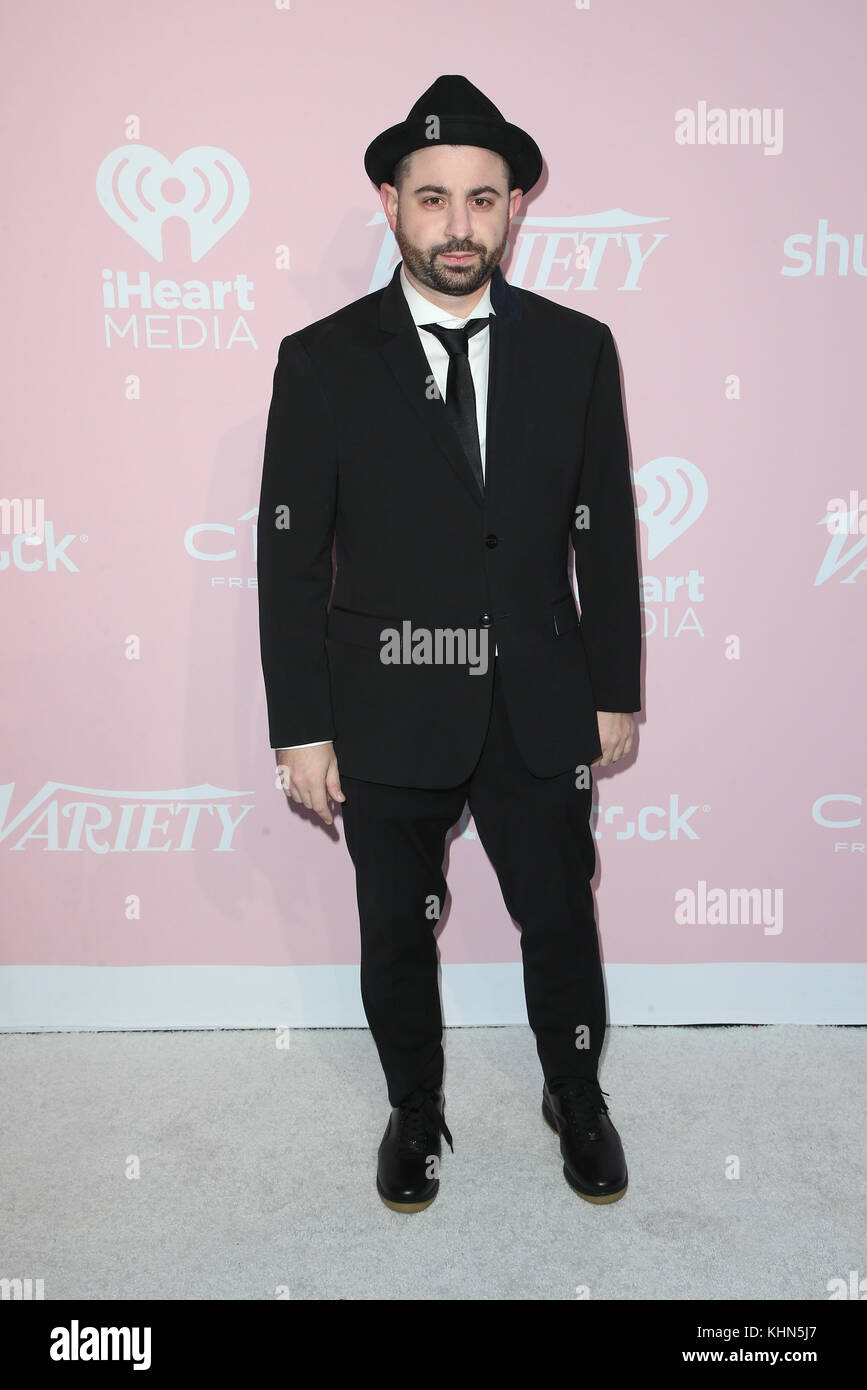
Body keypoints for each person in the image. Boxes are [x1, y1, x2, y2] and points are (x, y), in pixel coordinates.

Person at [256, 75, 641, 1213]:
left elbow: (605, 534)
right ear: (390, 204)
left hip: (539, 694)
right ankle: (413, 1107)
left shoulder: (578, 350)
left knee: (561, 915)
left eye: (483, 198)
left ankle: (576, 1093)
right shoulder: (320, 360)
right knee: (395, 929)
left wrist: (613, 689)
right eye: (433, 198)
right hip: (383, 707)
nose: (459, 224)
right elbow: (289, 559)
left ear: (516, 207)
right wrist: (302, 727)